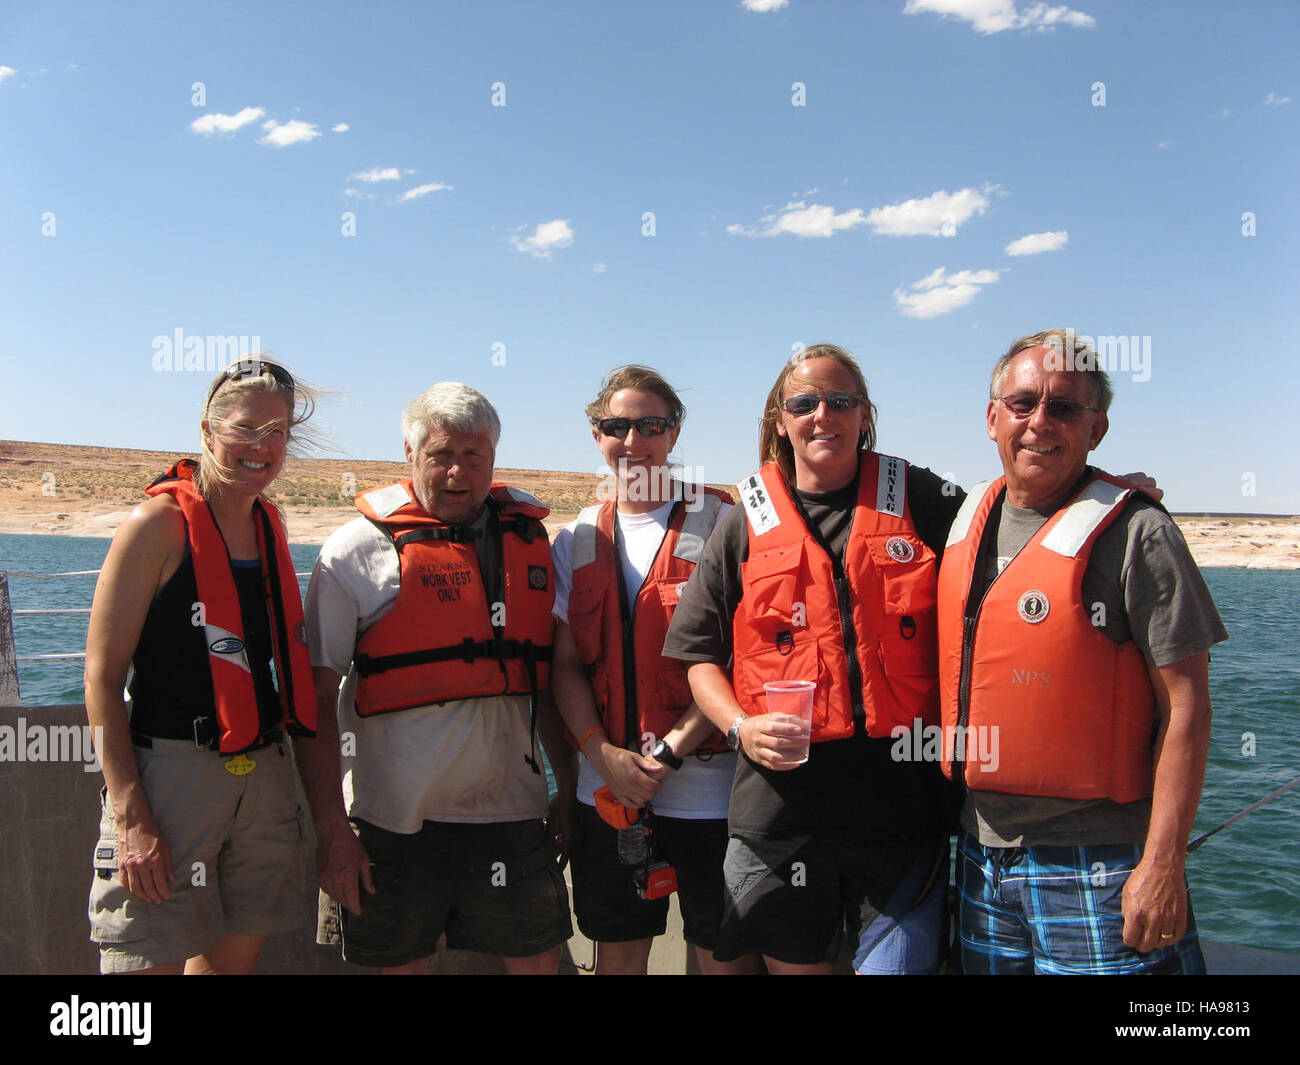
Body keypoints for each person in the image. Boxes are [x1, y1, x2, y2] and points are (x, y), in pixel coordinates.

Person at [663, 344, 959, 974]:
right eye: (804, 403)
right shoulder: (745, 519)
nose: (823, 415)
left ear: (864, 413)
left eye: (840, 400)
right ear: (781, 420)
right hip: (781, 809)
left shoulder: (923, 499)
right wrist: (742, 726)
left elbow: (1013, 520)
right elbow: (697, 655)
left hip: (902, 804)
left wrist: (1101, 489)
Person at [939, 330, 1226, 975]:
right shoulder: (960, 521)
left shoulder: (1139, 532)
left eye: (1065, 408)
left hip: (1101, 863)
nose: (1040, 422)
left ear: (1096, 428)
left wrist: (1163, 864)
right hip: (981, 856)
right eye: (1022, 403)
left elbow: (1189, 708)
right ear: (992, 418)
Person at [298, 381, 574, 974]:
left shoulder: (532, 545)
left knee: (540, 962)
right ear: (409, 453)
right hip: (389, 819)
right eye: (440, 454)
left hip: (511, 814)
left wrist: (569, 789)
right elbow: (316, 700)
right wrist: (329, 828)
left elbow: (542, 681)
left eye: (474, 456)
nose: (457, 472)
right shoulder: (353, 552)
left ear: (494, 460)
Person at [84, 356, 319, 974]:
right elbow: (102, 680)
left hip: (262, 771)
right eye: (245, 428)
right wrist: (132, 815)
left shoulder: (270, 526)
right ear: (208, 431)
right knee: (144, 963)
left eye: (276, 432)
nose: (260, 447)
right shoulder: (156, 528)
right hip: (171, 778)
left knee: (232, 963)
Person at [549, 365, 758, 974]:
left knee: (721, 953)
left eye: (651, 424)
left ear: (674, 432)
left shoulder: (724, 522)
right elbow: (564, 663)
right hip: (607, 790)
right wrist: (600, 754)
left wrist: (668, 753)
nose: (633, 440)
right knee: (618, 952)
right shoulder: (575, 539)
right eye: (617, 425)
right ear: (596, 434)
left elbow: (735, 660)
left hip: (708, 789)